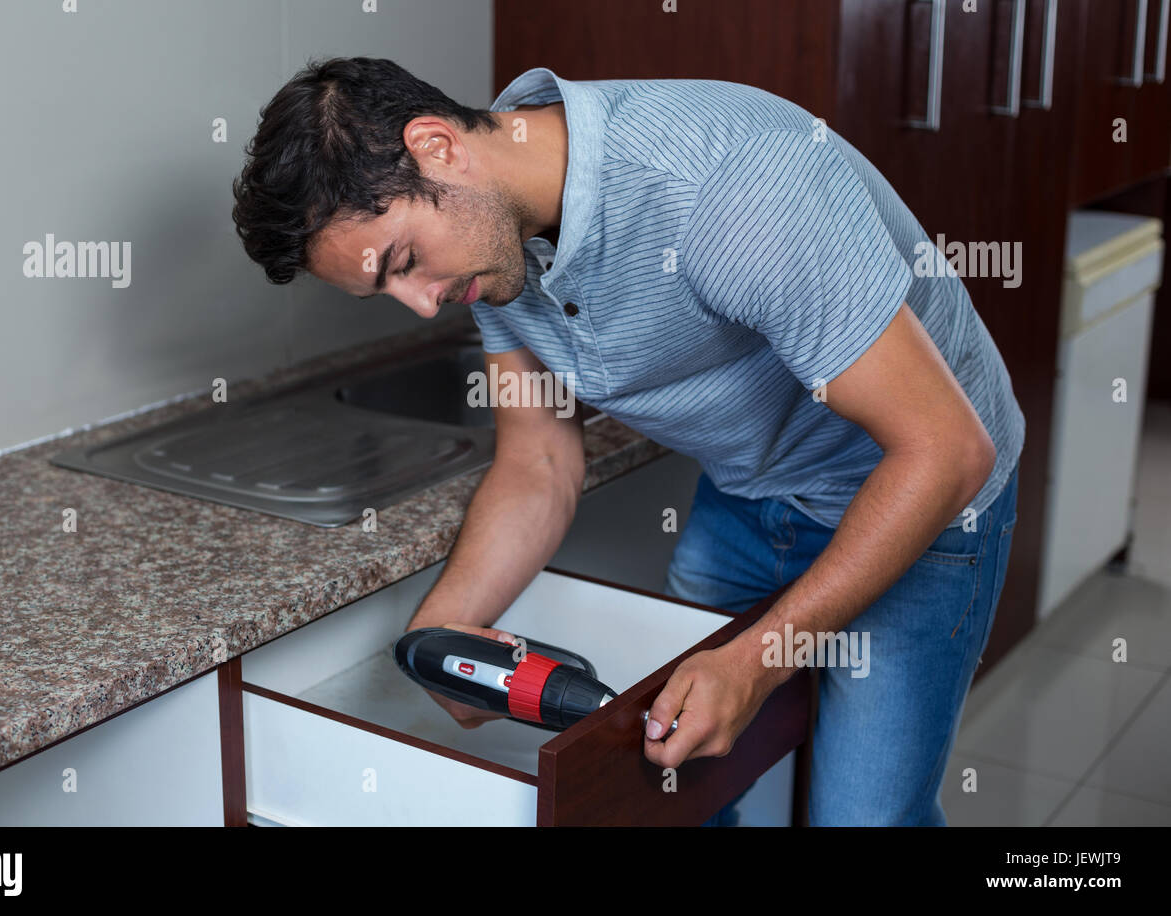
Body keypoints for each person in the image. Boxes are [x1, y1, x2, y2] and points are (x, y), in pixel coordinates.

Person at [231, 57, 1023, 825]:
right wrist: (439, 635)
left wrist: (754, 664)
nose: (423, 303)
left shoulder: (729, 186)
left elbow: (946, 449)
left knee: (867, 818)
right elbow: (538, 461)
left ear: (438, 147)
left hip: (920, 496)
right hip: (750, 494)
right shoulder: (494, 240)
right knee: (669, 788)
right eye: (387, 289)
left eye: (406, 263)